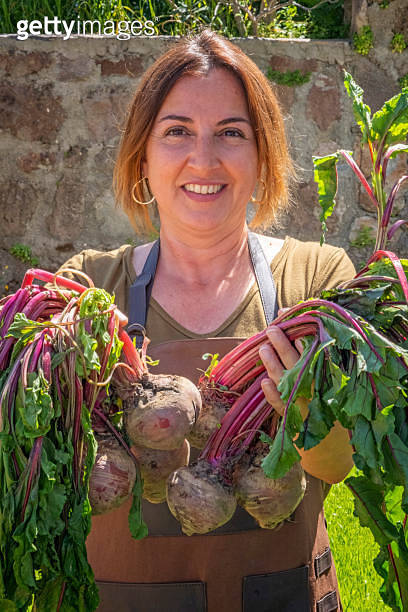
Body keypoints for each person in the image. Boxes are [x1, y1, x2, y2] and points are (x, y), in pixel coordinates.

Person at [57, 29, 355, 612]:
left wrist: (303, 408)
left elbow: (338, 466)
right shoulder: (88, 287)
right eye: (177, 132)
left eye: (231, 133)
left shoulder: (316, 283)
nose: (204, 158)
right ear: (142, 155)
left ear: (262, 155)